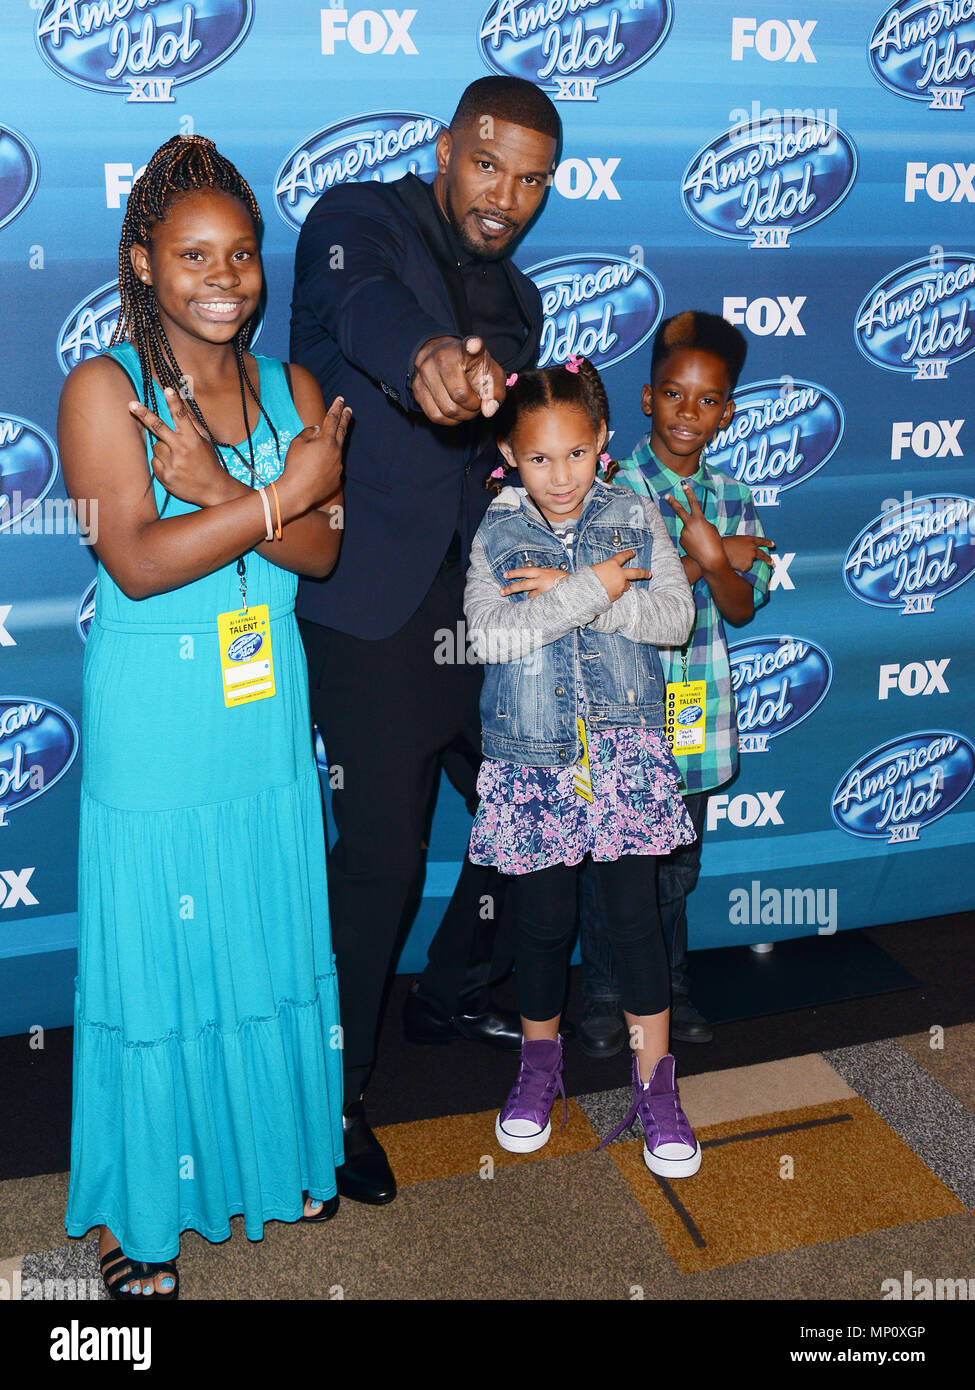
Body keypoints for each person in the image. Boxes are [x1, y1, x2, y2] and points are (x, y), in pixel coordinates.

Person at [58, 135, 351, 1299]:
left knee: (263, 930)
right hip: (160, 715)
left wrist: (231, 488)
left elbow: (321, 557)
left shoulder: (296, 387)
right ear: (144, 259)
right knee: (162, 955)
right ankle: (143, 1216)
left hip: (264, 702)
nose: (224, 277)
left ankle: (276, 1158)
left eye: (241, 253)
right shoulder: (100, 387)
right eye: (192, 254)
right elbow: (133, 557)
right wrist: (282, 491)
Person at [290, 77, 560, 1204]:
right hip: (371, 610)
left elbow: (494, 458)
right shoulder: (358, 220)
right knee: (382, 863)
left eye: (534, 180)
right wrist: (430, 363)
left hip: (478, 610)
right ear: (446, 147)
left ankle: (454, 985)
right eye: (489, 165)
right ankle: (334, 1101)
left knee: (537, 807)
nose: (507, 196)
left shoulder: (525, 298)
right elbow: (370, 314)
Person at [464, 355, 703, 1177]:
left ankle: (656, 1085)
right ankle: (537, 1069)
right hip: (533, 763)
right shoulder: (496, 530)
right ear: (509, 455)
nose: (558, 475)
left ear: (601, 441)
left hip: (624, 753)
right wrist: (588, 589)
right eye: (538, 457)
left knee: (636, 924)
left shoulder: (636, 513)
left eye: (574, 453)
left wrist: (578, 586)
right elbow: (490, 637)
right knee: (541, 925)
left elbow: (672, 619)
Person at [577, 311, 773, 1057]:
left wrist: (719, 561)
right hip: (618, 714)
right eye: (672, 394)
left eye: (707, 400)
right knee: (616, 866)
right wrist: (705, 553)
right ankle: (603, 994)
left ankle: (669, 987)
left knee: (675, 866)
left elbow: (741, 605)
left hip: (697, 713)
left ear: (727, 412)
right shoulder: (608, 488)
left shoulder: (732, 491)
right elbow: (614, 605)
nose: (688, 412)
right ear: (645, 400)